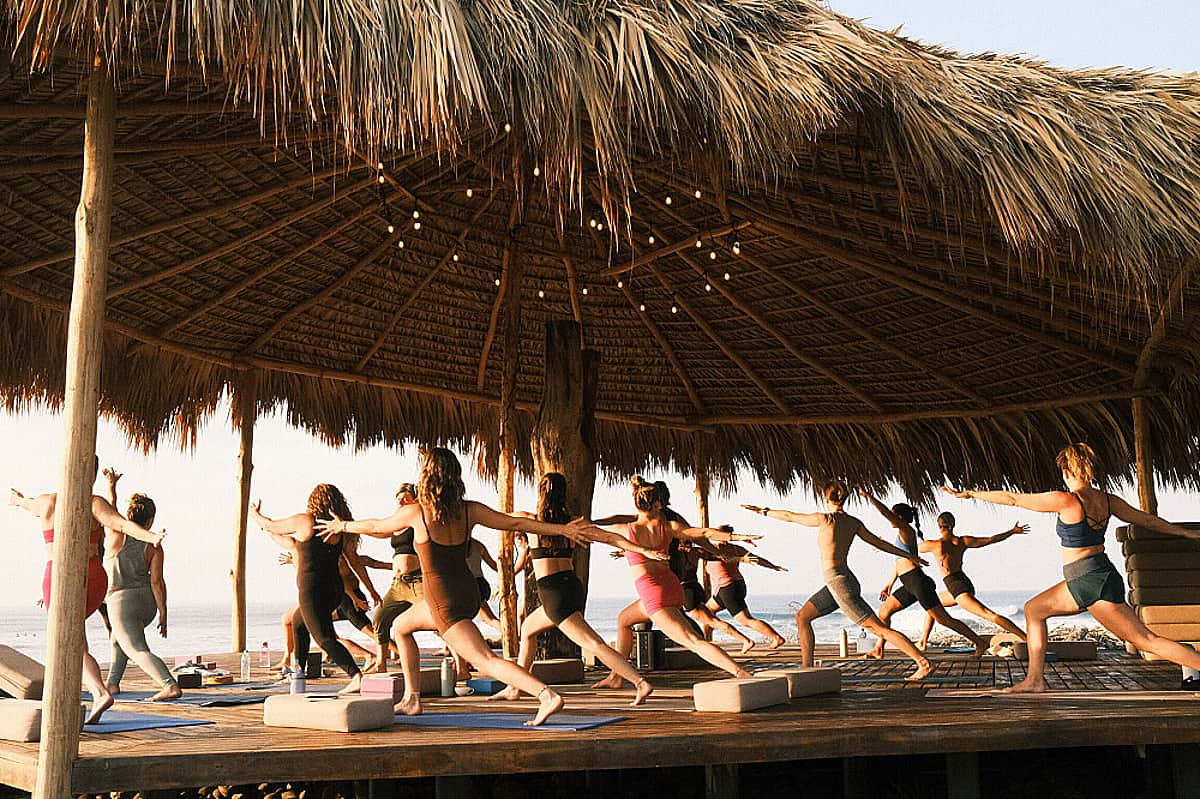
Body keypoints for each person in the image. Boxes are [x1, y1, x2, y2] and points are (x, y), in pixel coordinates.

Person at [317, 448, 612, 726]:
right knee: (401, 627)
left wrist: (342, 526)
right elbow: (512, 523)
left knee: (485, 660)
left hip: (444, 601)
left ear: (426, 478)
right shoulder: (469, 510)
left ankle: (546, 695)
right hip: (467, 593)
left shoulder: (417, 513)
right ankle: (412, 698)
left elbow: (376, 526)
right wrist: (562, 529)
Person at [943, 442, 1200, 693]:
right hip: (1101, 574)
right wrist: (1184, 533)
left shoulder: (1066, 500)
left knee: (1146, 641)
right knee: (1035, 610)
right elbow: (1146, 519)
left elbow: (1013, 499)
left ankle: (1035, 681)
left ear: (1067, 471)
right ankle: (1035, 680)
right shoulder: (1109, 501)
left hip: (1087, 581)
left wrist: (970, 494)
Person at [9, 456, 165, 723]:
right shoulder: (94, 503)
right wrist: (151, 536)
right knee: (77, 641)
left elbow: (25, 503)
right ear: (91, 476)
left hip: (60, 578)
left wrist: (17, 500)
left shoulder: (47, 502)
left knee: (69, 644)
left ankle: (98, 691)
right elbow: (121, 524)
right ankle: (96, 692)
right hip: (94, 579)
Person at [491, 472, 657, 705]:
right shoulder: (574, 525)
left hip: (552, 593)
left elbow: (496, 518)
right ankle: (515, 687)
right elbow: (610, 538)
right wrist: (643, 550)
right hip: (571, 586)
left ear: (541, 493)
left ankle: (639, 682)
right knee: (528, 629)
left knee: (593, 643)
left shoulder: (531, 521)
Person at [743, 480, 933, 680]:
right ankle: (807, 667)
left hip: (839, 583)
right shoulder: (853, 523)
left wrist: (764, 511)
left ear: (826, 497)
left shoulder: (825, 519)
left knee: (877, 628)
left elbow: (790, 517)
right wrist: (909, 556)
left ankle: (923, 663)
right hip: (841, 581)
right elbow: (879, 543)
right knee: (803, 617)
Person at [588, 477, 761, 689]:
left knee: (692, 641)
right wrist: (736, 537)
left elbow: (598, 532)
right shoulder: (668, 526)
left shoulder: (626, 529)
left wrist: (577, 525)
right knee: (624, 619)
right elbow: (703, 532)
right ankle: (616, 676)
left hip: (653, 593)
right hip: (671, 586)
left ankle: (740, 672)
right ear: (658, 504)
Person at [251, 485, 363, 693]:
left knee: (324, 637)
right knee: (299, 622)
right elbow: (353, 560)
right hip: (334, 590)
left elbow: (273, 526)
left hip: (313, 590)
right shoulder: (336, 528)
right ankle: (298, 673)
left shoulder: (306, 521)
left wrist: (256, 515)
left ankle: (356, 675)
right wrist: (370, 591)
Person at [859, 492, 987, 659]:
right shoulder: (900, 536)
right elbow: (900, 563)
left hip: (917, 582)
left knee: (943, 619)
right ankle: (878, 648)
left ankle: (979, 642)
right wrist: (890, 583)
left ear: (899, 518)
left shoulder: (906, 530)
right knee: (884, 612)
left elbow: (885, 514)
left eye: (893, 516)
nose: (891, 520)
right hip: (908, 583)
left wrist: (870, 497)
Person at [100, 470, 179, 700]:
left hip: (121, 601)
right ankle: (112, 684)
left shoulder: (115, 533)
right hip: (147, 603)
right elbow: (157, 582)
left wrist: (111, 487)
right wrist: (163, 612)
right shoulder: (153, 544)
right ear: (151, 520)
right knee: (119, 638)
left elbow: (110, 511)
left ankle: (169, 685)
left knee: (136, 649)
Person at [914, 512, 1029, 649]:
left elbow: (908, 548)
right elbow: (991, 539)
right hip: (963, 582)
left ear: (939, 526)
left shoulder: (935, 545)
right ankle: (922, 642)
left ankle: (1026, 638)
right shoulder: (963, 541)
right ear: (953, 525)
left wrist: (883, 546)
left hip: (957, 588)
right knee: (932, 606)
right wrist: (1012, 531)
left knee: (989, 615)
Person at [702, 527, 787, 650]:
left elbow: (726, 558)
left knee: (746, 620)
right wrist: (773, 566)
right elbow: (756, 559)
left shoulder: (715, 550)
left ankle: (776, 638)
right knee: (707, 612)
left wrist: (773, 566)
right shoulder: (736, 549)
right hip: (735, 586)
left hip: (727, 589)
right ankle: (707, 641)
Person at [369, 483, 422, 673]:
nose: (401, 501)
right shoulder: (396, 523)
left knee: (438, 621)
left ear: (415, 499)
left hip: (418, 581)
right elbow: (376, 529)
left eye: (406, 497)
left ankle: (461, 664)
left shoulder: (418, 518)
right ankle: (381, 664)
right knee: (380, 619)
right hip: (398, 585)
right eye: (398, 498)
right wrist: (349, 528)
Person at [466, 538, 501, 631]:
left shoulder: (456, 546)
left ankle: (516, 637)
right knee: (489, 619)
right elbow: (494, 566)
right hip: (481, 584)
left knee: (489, 619)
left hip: (469, 585)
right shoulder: (478, 545)